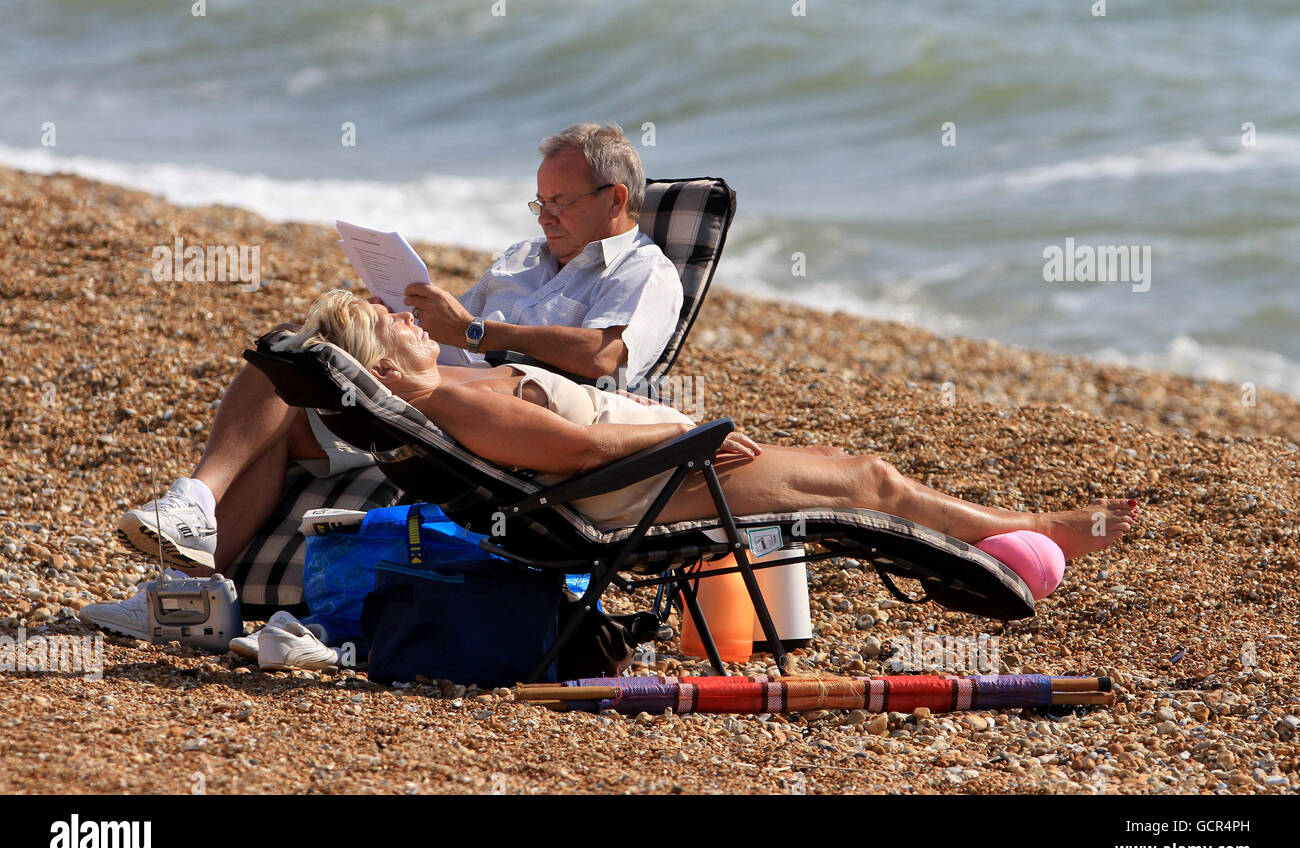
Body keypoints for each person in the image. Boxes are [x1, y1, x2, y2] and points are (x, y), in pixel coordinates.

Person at [89, 123, 683, 639]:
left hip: (493, 426)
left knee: (298, 365)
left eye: (559, 202)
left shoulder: (643, 273)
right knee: (290, 368)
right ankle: (192, 562)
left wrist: (475, 330)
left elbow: (605, 356)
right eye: (539, 203)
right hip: (427, 392)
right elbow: (451, 336)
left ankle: (192, 547)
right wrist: (400, 314)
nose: (546, 216)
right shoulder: (524, 258)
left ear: (615, 198)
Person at [273, 290, 1140, 557]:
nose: (407, 318)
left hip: (650, 473)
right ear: (383, 369)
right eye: (390, 322)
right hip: (638, 491)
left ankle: (1004, 533)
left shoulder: (448, 388)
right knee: (870, 483)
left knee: (855, 471)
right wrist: (683, 436)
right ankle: (1035, 531)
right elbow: (581, 451)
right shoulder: (456, 402)